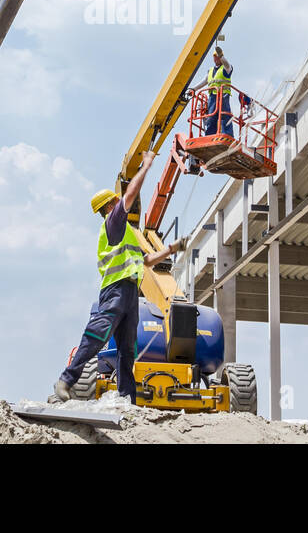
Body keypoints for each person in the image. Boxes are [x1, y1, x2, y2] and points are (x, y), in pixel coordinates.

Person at [54, 150, 187, 404]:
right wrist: (146, 166)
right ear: (108, 207)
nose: (120, 203)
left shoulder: (127, 231)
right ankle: (66, 380)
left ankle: (128, 399)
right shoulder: (113, 222)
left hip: (129, 293)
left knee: (128, 349)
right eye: (115, 202)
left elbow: (145, 261)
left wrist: (169, 250)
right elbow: (130, 195)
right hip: (115, 289)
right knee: (98, 334)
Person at [186, 46, 236, 137]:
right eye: (215, 56)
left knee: (224, 115)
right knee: (211, 117)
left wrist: (221, 56)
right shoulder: (210, 70)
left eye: (218, 56)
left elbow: (227, 64)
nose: (216, 58)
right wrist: (193, 89)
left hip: (223, 95)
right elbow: (204, 81)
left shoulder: (226, 68)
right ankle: (210, 135)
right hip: (212, 97)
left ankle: (227, 134)